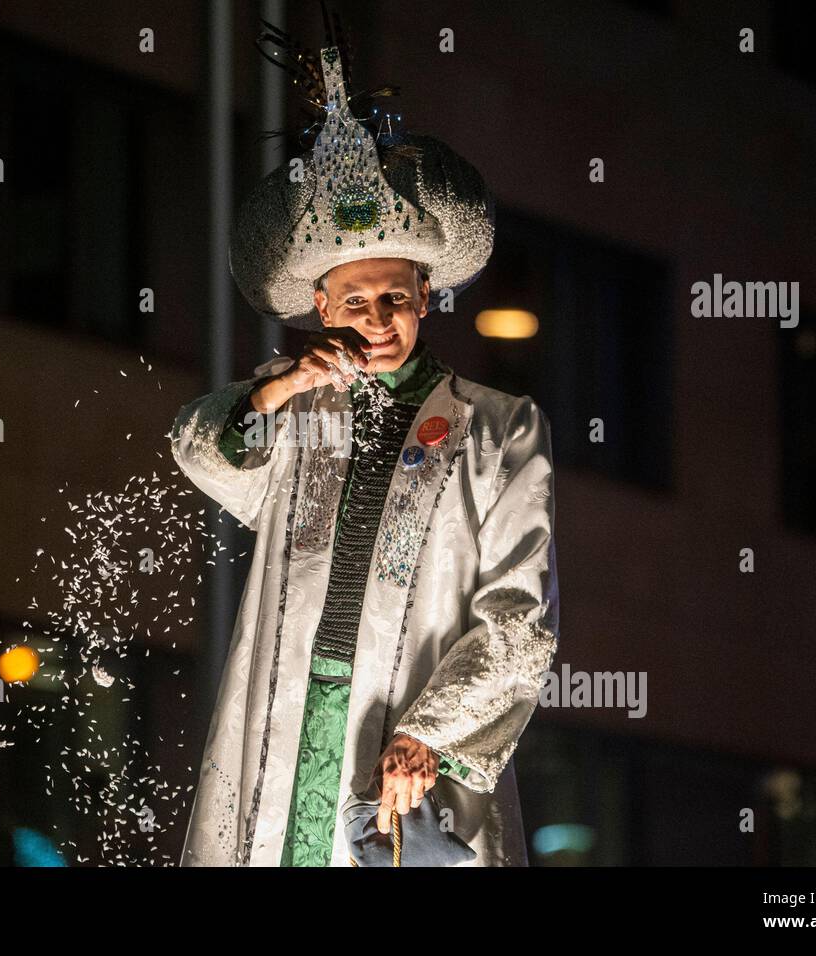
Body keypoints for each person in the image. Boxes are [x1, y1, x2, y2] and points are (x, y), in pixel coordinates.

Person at [172, 44, 559, 866]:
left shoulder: (501, 426)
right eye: (354, 300)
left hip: (412, 735)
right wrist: (275, 389)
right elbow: (201, 449)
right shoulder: (294, 403)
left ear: (425, 295)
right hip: (279, 727)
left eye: (394, 297)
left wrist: (432, 732)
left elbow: (521, 620)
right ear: (319, 306)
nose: (376, 317)